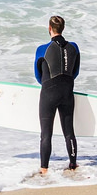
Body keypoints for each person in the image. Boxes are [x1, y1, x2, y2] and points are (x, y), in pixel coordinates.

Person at [34, 15, 80, 174]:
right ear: (63, 28)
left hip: (49, 93)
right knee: (69, 132)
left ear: (49, 28)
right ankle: (73, 164)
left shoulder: (42, 49)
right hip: (67, 93)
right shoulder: (74, 47)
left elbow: (38, 75)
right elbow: (75, 72)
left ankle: (44, 169)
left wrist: (48, 85)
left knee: (46, 134)